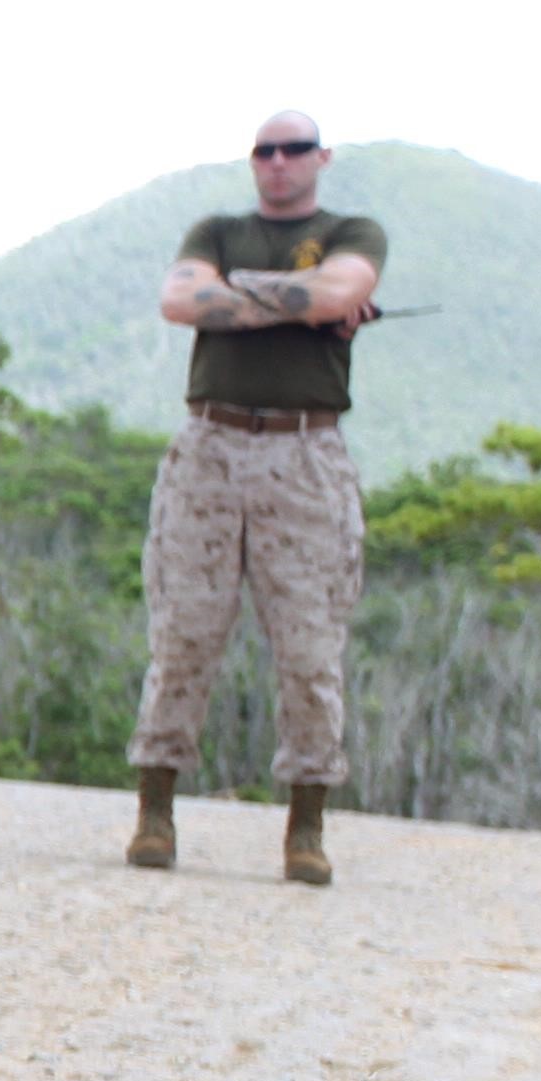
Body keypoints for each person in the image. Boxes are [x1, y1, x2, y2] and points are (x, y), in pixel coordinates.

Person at [128, 112, 384, 885]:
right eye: (265, 150)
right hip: (209, 446)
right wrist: (302, 304)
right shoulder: (217, 228)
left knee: (311, 648)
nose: (278, 162)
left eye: (294, 149)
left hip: (307, 454)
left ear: (321, 157)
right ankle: (154, 814)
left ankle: (306, 827)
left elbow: (344, 285)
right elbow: (180, 301)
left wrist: (241, 296)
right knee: (183, 636)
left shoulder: (354, 228)